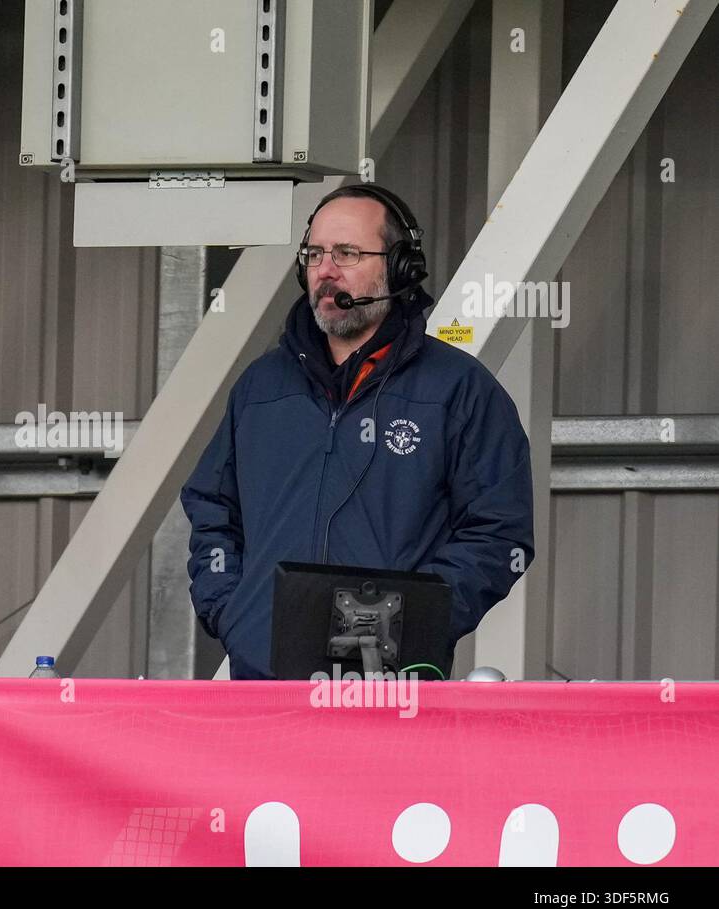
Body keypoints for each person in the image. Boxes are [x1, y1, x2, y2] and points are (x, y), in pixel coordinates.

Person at [181, 184, 534, 679]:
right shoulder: (260, 388)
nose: (326, 270)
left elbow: (500, 535)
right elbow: (212, 508)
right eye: (315, 254)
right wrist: (230, 610)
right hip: (263, 691)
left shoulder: (459, 390)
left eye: (347, 253)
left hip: (394, 690)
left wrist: (414, 620)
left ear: (398, 267)